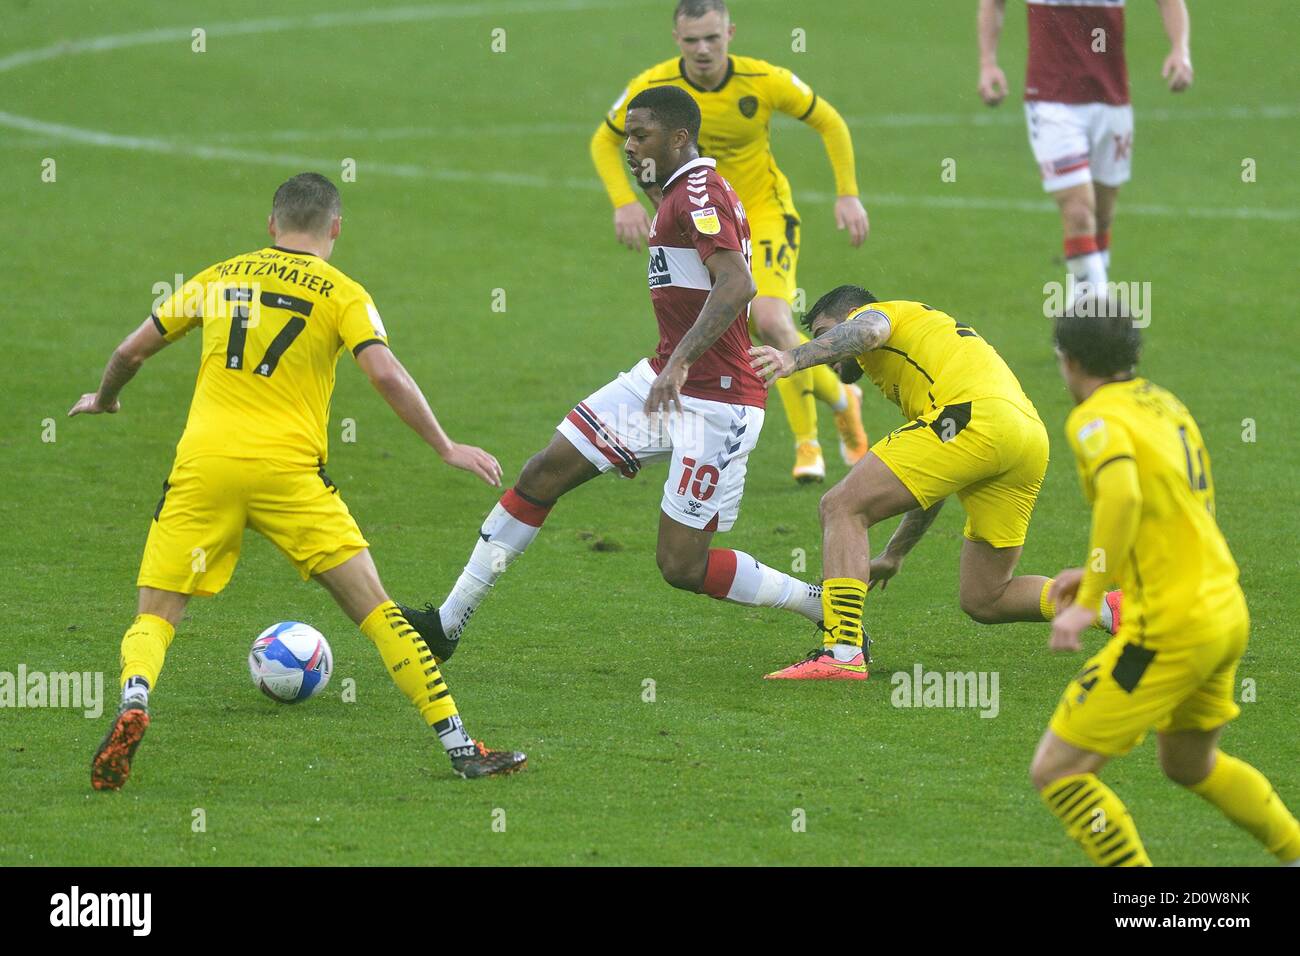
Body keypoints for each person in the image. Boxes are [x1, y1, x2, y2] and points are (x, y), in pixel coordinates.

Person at [74, 172, 525, 787]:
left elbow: (129, 353)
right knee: (378, 612)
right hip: (290, 477)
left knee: (157, 612)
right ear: (335, 227)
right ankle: (459, 746)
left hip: (204, 468)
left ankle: (134, 702)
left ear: (271, 224)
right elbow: (386, 374)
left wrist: (105, 399)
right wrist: (444, 445)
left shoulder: (220, 275)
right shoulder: (343, 293)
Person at [400, 88, 824, 667]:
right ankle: (448, 622)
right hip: (661, 382)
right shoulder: (679, 189)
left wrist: (679, 363)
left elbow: (738, 285)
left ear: (679, 138)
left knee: (682, 566)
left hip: (717, 404)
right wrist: (670, 364)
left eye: (641, 134)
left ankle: (819, 604)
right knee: (544, 470)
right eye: (627, 134)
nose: (629, 146)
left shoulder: (697, 193)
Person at [1030, 304, 1300, 866]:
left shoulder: (1092, 418)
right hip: (1224, 611)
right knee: (1189, 764)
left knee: (1055, 771)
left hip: (1170, 628)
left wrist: (1088, 601)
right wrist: (1109, 569)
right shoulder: (1166, 404)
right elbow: (1177, 512)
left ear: (1071, 361)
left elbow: (1124, 497)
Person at [749, 286, 1117, 680]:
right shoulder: (916, 359)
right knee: (986, 596)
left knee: (841, 506)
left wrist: (792, 356)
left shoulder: (878, 315)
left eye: (824, 333)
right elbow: (933, 478)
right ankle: (1110, 608)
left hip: (975, 417)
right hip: (1025, 437)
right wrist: (894, 554)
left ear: (853, 313)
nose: (825, 349)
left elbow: (867, 332)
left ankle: (842, 651)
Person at [591, 0, 871, 484]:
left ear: (730, 34)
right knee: (740, 330)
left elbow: (830, 121)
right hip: (699, 225)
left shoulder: (763, 81)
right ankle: (844, 398)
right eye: (692, 40)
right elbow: (605, 138)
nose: (703, 50)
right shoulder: (655, 87)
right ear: (676, 38)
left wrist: (847, 194)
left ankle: (808, 445)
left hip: (761, 214)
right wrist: (623, 201)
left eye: (712, 38)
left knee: (768, 319)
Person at [977, 0, 1193, 303]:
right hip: (1052, 101)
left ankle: (1075, 332)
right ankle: (1098, 326)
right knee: (1078, 213)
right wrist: (988, 63)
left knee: (1102, 218)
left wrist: (1179, 49)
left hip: (1111, 100)